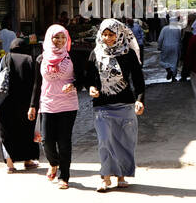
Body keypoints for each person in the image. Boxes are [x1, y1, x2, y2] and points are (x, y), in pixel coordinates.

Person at [81, 19, 145, 192]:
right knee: (105, 141)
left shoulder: (128, 53)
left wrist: (140, 99)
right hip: (102, 105)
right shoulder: (95, 53)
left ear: (119, 34)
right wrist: (91, 88)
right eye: (105, 34)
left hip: (125, 104)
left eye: (111, 34)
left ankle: (121, 175)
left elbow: (138, 79)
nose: (108, 38)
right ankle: (105, 177)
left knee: (123, 141)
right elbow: (87, 77)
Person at [30, 24, 78, 190]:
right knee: (47, 140)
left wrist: (73, 85)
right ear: (50, 38)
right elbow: (37, 84)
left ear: (67, 39)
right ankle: (53, 163)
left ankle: (64, 176)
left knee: (64, 142)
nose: (59, 40)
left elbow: (84, 78)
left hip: (68, 104)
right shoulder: (40, 59)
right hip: (47, 103)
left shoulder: (72, 57)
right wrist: (32, 106)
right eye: (56, 37)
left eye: (63, 37)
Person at [0, 39, 40, 172]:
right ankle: (28, 161)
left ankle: (10, 165)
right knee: (27, 131)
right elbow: (36, 82)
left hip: (4, 103)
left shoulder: (3, 59)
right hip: (25, 104)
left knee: (7, 132)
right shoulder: (29, 60)